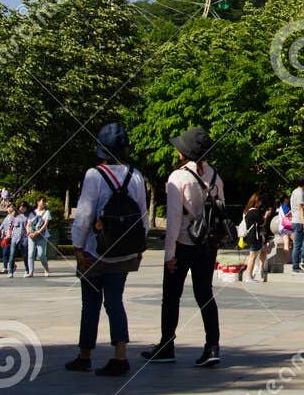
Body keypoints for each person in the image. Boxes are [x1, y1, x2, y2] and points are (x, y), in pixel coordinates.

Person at [66, 122, 148, 378]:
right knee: (115, 301)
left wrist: (78, 248)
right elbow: (142, 216)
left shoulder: (94, 175)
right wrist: (139, 246)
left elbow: (85, 215)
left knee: (90, 303)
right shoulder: (136, 175)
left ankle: (85, 355)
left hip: (95, 250)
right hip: (123, 251)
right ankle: (120, 356)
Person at [143, 127, 223, 367]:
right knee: (205, 294)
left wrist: (169, 254)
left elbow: (174, 220)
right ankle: (212, 346)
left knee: (171, 296)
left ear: (184, 152)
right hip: (207, 244)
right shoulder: (216, 177)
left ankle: (167, 345)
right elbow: (219, 212)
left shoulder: (177, 178)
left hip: (183, 243)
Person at [242, 193, 270, 282]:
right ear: (256, 201)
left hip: (251, 236)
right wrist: (266, 216)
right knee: (252, 256)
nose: (261, 203)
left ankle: (259, 270)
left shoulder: (248, 211)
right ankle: (249, 277)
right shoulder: (255, 211)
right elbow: (262, 223)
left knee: (263, 249)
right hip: (255, 237)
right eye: (260, 201)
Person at [289, 178, 304, 274]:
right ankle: (295, 267)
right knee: (297, 245)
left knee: (303, 242)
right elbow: (300, 209)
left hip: (297, 221)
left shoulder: (295, 191)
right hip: (299, 222)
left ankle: (302, 261)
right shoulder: (300, 193)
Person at [26, 198, 52, 276]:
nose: (44, 203)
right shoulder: (32, 212)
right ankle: (31, 272)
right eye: (42, 201)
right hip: (31, 235)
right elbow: (28, 224)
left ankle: (46, 269)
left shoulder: (47, 212)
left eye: (45, 202)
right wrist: (28, 232)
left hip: (42, 235)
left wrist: (37, 232)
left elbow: (45, 225)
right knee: (30, 253)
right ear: (38, 202)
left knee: (41, 254)